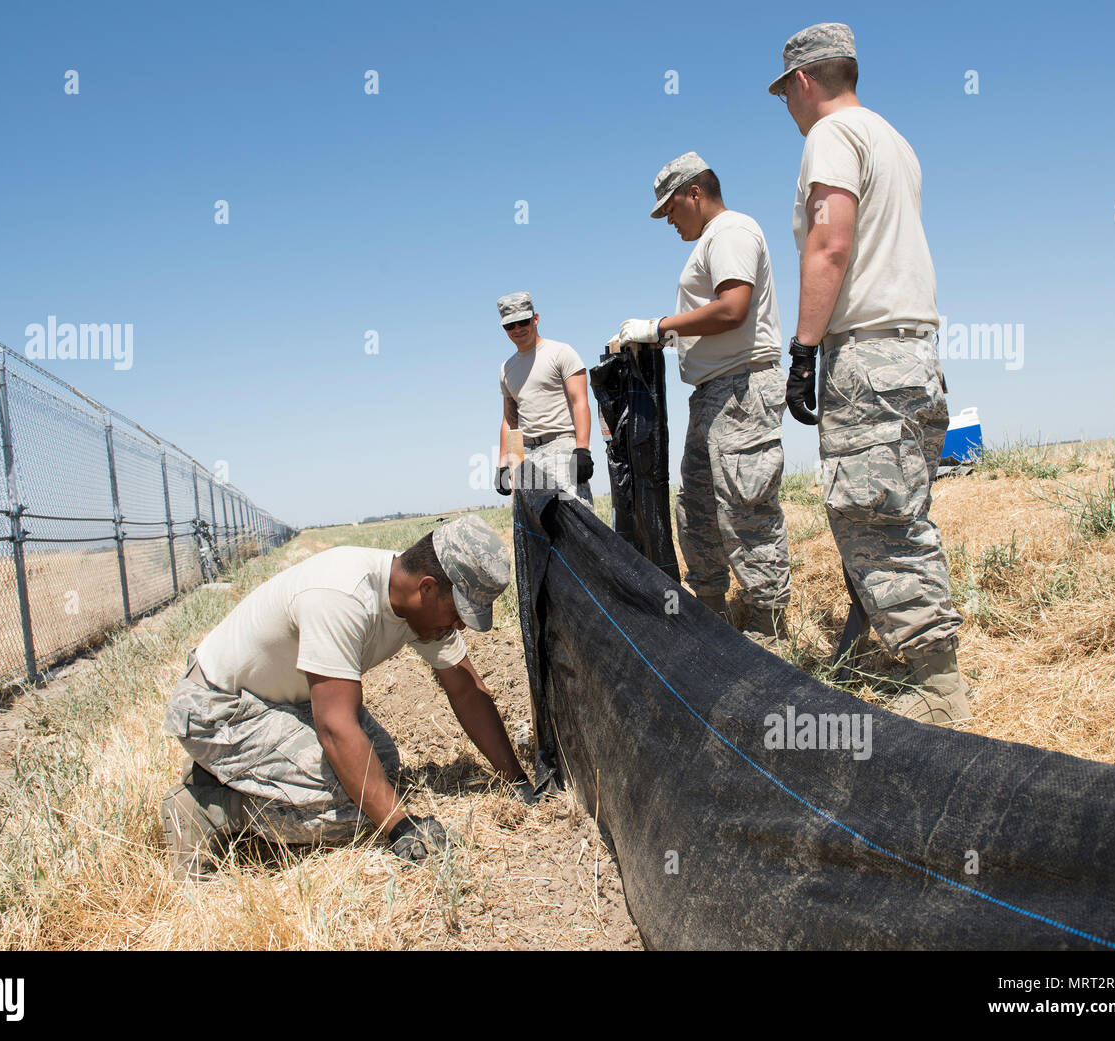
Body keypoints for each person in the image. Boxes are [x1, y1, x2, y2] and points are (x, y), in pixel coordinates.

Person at [771, 22, 969, 723]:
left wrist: (802, 349)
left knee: (872, 514)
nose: (787, 109)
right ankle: (871, 636)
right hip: (916, 353)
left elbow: (829, 243)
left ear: (803, 82)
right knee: (894, 505)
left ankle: (939, 687)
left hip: (868, 356)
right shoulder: (894, 139)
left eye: (784, 95)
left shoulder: (828, 136)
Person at [160, 515, 533, 879]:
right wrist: (400, 828)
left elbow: (466, 691)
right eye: (458, 612)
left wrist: (515, 779)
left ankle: (224, 775)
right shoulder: (342, 596)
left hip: (281, 700)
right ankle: (210, 808)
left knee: (381, 766)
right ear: (428, 587)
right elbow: (336, 727)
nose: (459, 625)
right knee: (356, 807)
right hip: (219, 708)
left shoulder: (419, 608)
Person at [617, 154, 792, 638]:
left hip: (741, 389)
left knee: (746, 507)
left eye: (671, 209)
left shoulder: (731, 232)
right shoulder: (711, 241)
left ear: (695, 192)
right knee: (698, 509)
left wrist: (660, 327)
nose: (669, 221)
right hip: (714, 394)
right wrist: (661, 337)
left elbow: (733, 308)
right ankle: (711, 610)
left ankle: (767, 624)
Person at [493, 291, 595, 508]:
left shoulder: (561, 353)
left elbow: (580, 402)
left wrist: (583, 449)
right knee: (535, 530)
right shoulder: (506, 369)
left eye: (523, 321)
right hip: (526, 455)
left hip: (562, 447)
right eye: (510, 326)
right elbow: (510, 420)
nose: (518, 329)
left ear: (535, 319)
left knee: (575, 520)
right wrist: (502, 465)